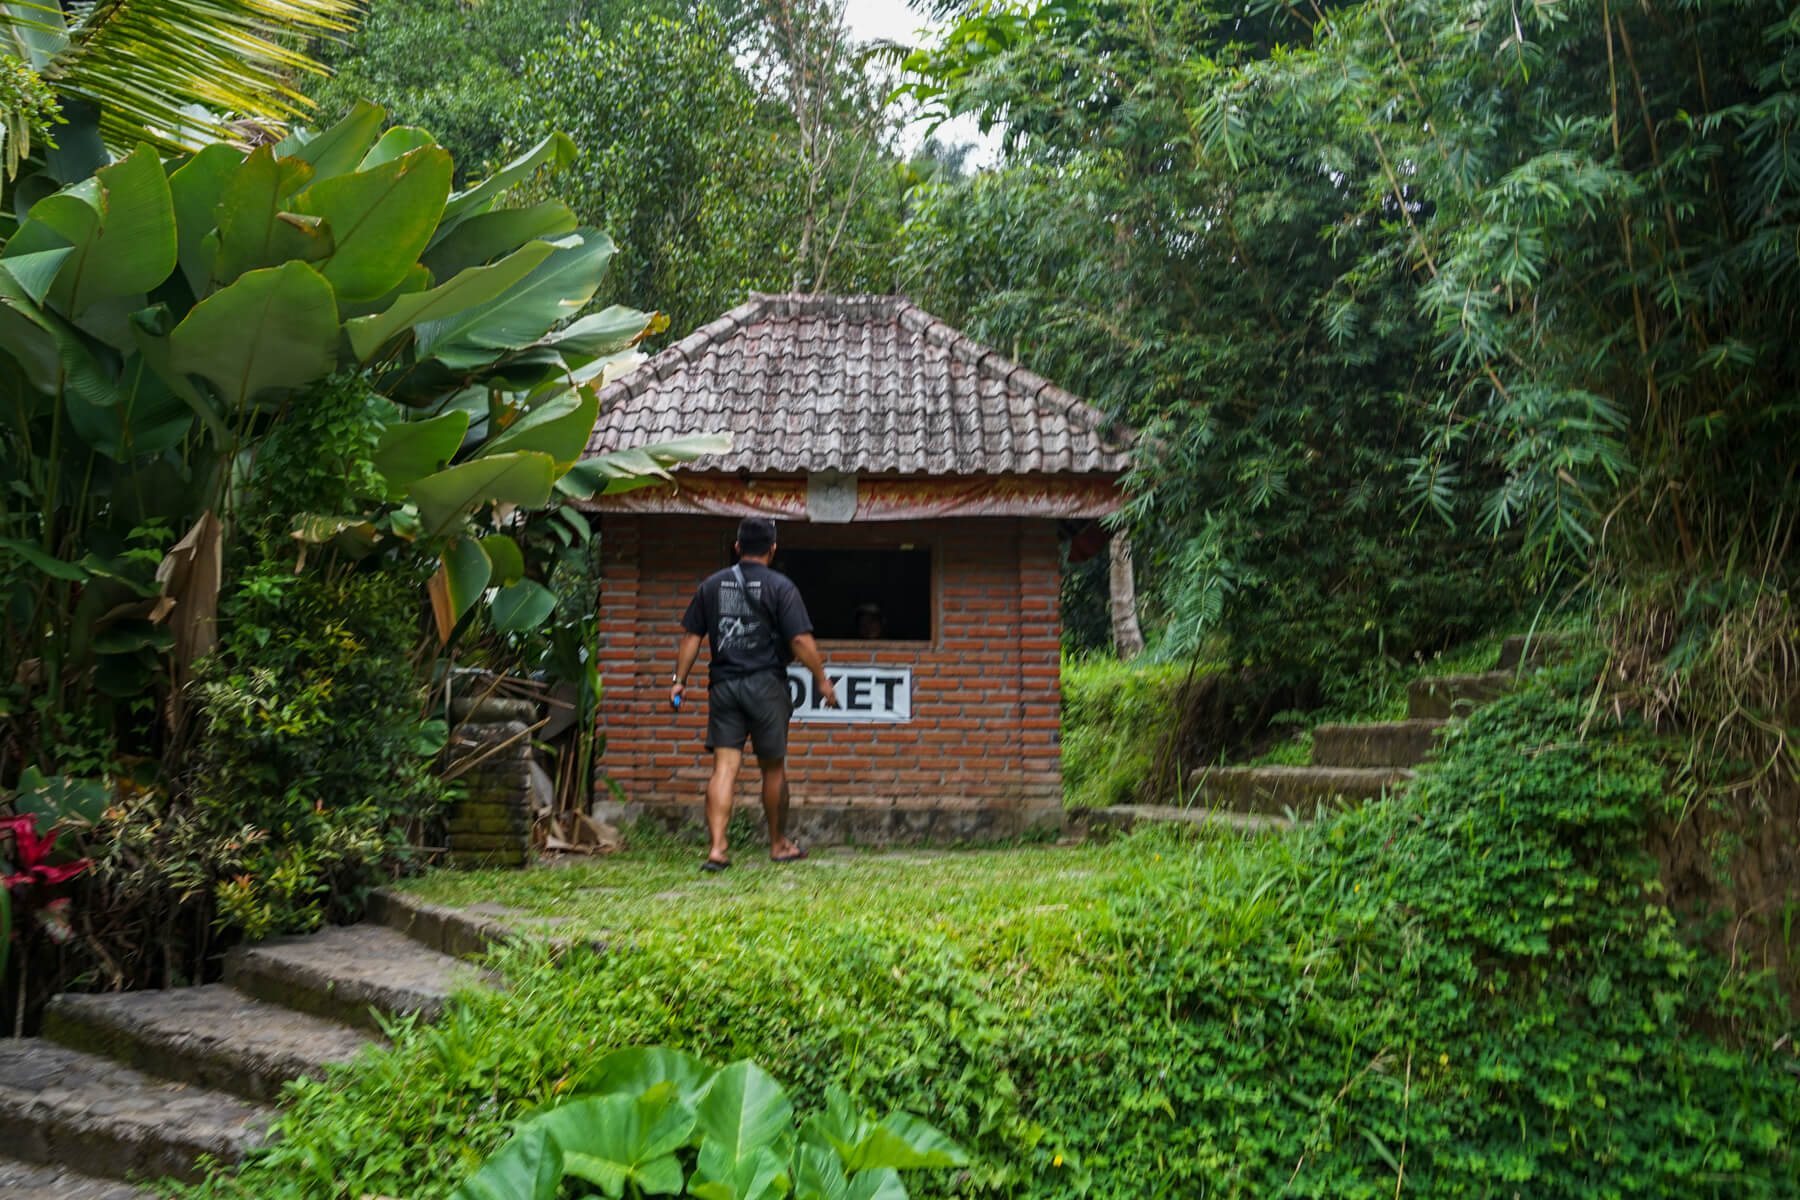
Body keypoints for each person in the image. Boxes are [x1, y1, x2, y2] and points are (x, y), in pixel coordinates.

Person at [670, 517, 838, 870]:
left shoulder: (711, 586)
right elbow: (799, 640)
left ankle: (717, 848)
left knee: (724, 768)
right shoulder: (782, 587)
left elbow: (690, 638)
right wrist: (822, 680)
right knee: (773, 769)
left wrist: (679, 681)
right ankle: (778, 844)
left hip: (724, 686)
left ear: (737, 547)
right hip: (766, 685)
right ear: (773, 549)